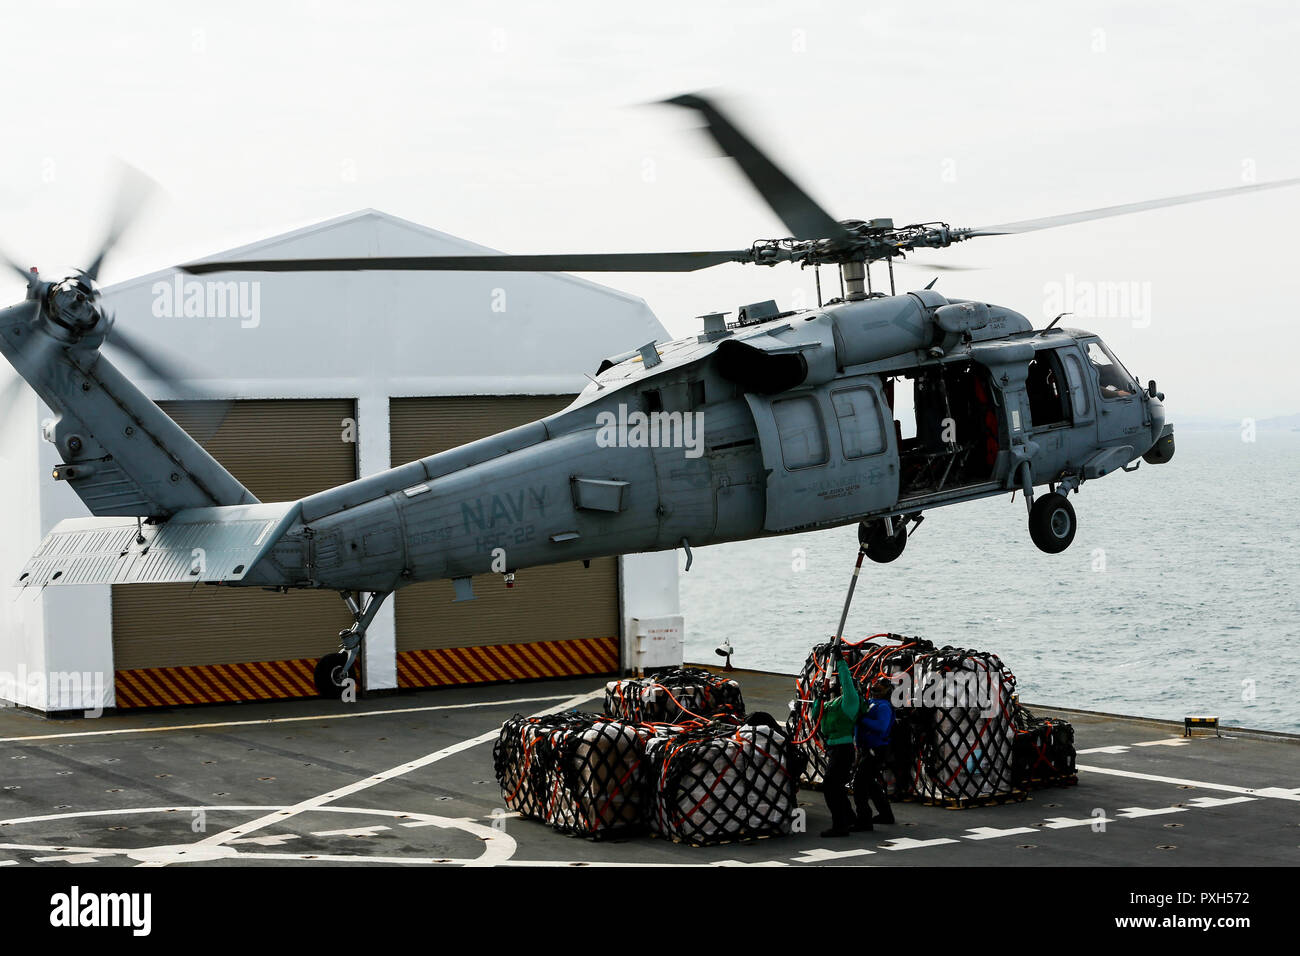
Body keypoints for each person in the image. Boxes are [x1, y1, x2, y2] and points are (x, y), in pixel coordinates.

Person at [811, 655, 861, 837]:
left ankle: (840, 825)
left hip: (844, 749)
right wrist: (819, 698)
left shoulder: (850, 703)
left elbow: (847, 684)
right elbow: (815, 716)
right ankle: (849, 817)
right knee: (836, 787)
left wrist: (840, 662)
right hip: (833, 749)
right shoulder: (832, 703)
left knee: (831, 787)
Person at [853, 679, 896, 826]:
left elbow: (881, 727)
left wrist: (861, 719)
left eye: (879, 685)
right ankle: (886, 815)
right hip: (867, 749)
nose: (875, 685)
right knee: (871, 784)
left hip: (876, 750)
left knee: (860, 784)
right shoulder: (870, 702)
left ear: (886, 690)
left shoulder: (884, 706)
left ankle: (864, 819)